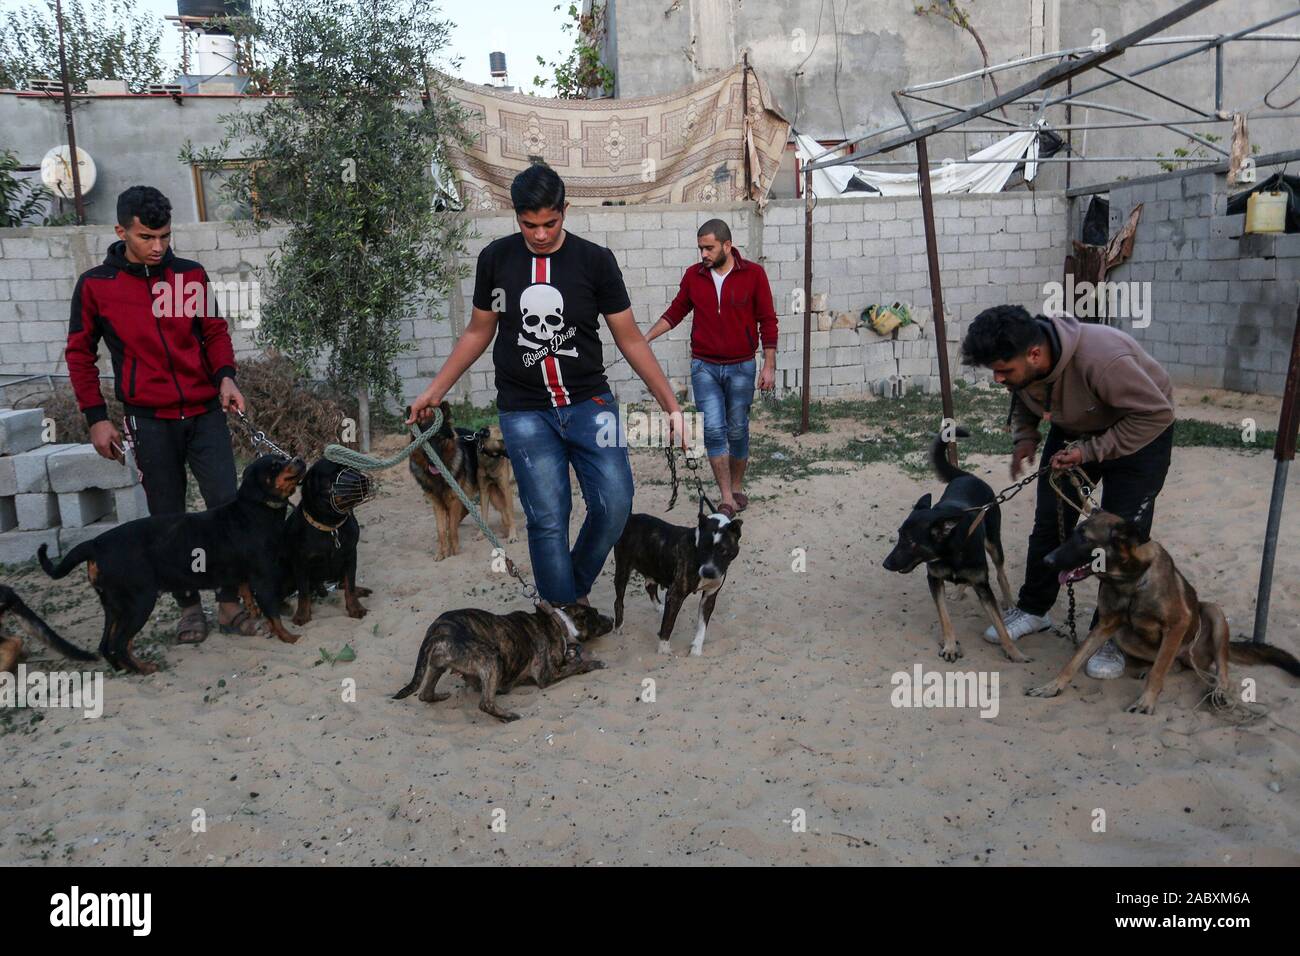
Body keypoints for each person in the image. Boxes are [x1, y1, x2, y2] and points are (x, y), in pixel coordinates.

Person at [406, 164, 684, 608]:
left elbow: (629, 338)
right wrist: (435, 391)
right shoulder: (496, 260)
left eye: (549, 223)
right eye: (528, 224)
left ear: (565, 210)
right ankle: (563, 615)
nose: (539, 234)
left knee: (615, 504)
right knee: (548, 518)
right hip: (524, 411)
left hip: (590, 404)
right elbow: (479, 332)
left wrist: (670, 405)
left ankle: (569, 590)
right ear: (516, 216)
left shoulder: (595, 262)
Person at [65, 185, 254, 643]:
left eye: (165, 237)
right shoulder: (96, 287)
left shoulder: (190, 276)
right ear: (121, 231)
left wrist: (226, 376)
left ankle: (229, 603)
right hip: (147, 421)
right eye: (147, 237)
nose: (158, 247)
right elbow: (79, 355)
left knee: (226, 510)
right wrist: (97, 417)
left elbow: (213, 332)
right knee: (167, 520)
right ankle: (189, 607)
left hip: (205, 413)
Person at [960, 305, 1176, 678]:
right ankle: (1033, 609)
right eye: (993, 370)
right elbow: (1023, 391)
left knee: (1120, 538)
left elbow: (1156, 413)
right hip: (1077, 426)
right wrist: (1026, 438)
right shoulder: (1027, 365)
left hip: (1141, 430)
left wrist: (1090, 451)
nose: (998, 379)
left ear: (1034, 354)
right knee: (1050, 521)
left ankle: (1108, 632)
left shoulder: (1104, 359)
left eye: (1003, 370)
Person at [644, 218, 777, 517]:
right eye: (700, 248)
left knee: (738, 429)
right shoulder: (694, 276)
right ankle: (727, 497)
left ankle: (737, 485)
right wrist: (646, 338)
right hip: (704, 367)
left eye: (709, 248)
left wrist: (769, 365)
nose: (703, 254)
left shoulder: (754, 274)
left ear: (727, 246)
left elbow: (768, 320)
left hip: (742, 366)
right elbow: (676, 310)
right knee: (715, 431)